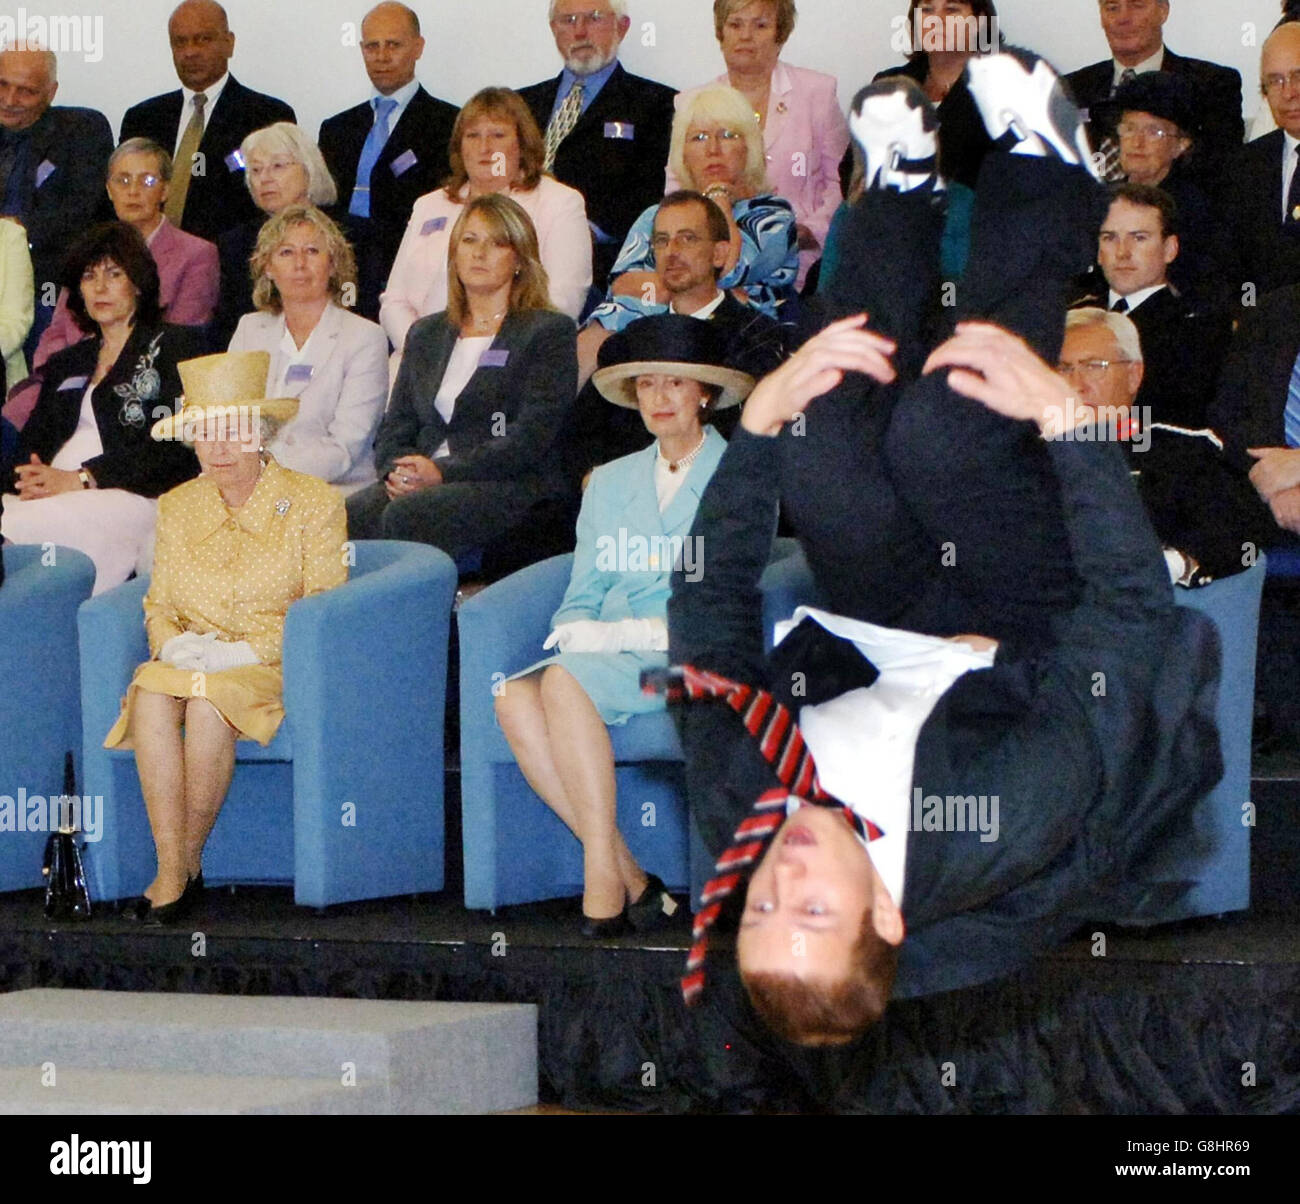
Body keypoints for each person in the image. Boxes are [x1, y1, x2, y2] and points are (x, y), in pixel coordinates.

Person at [664, 54, 1219, 1043]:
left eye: (758, 907)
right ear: (885, 911)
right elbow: (1129, 617)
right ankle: (1044, 167)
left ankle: (899, 193)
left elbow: (703, 615)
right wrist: (1066, 422)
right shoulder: (996, 820)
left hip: (883, 622)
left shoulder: (738, 812)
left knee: (819, 442)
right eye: (814, 910)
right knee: (942, 430)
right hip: (1032, 625)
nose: (781, 879)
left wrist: (754, 436)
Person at [496, 314, 752, 935]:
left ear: (705, 395)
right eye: (647, 385)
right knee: (510, 695)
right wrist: (583, 631)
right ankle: (628, 874)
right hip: (607, 655)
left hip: (688, 652)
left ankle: (603, 877)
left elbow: (722, 597)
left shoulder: (740, 478)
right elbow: (581, 595)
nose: (659, 399)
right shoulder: (608, 482)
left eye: (675, 384)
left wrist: (619, 637)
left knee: (559, 683)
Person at [103, 350, 347, 924]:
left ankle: (179, 867)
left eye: (233, 432)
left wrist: (245, 652)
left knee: (210, 704)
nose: (219, 448)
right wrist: (171, 645)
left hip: (272, 661)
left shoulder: (314, 501)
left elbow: (323, 607)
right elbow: (158, 603)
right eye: (205, 434)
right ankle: (175, 866)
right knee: (155, 689)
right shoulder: (177, 505)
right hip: (192, 657)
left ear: (262, 433)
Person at [348, 193, 577, 560]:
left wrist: (441, 471)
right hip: (425, 475)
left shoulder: (547, 331)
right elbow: (397, 425)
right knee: (350, 515)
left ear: (519, 260)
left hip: (506, 480)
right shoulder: (426, 333)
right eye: (469, 241)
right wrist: (399, 471)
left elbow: (531, 436)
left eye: (496, 242)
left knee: (408, 516)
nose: (479, 253)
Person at [2, 223, 201, 594]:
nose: (100, 287)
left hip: (130, 495)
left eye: (114, 274)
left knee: (21, 530)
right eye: (89, 276)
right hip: (51, 492)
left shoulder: (175, 348)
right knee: (12, 513)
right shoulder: (69, 361)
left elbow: (175, 451)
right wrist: (27, 479)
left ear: (138, 284)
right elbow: (31, 442)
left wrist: (81, 479)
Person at [5, 139, 220, 432]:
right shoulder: (88, 248)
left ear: (166, 190)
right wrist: (63, 372)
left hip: (138, 391)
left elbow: (178, 341)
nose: (133, 191)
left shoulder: (196, 254)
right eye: (122, 180)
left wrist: (99, 371)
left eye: (147, 180)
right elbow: (56, 331)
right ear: (108, 190)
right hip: (64, 381)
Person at [568, 190, 786, 479]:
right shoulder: (631, 341)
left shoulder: (759, 339)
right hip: (628, 503)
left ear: (719, 253)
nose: (672, 251)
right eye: (661, 241)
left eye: (688, 238)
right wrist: (595, 480)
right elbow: (583, 434)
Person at [1059, 306, 1270, 586]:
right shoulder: (1020, 456)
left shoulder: (1182, 450)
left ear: (1134, 375)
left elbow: (1235, 532)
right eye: (1063, 369)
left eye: (1094, 367)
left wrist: (1172, 564)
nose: (1077, 385)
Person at [380, 87, 592, 358]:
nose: (484, 148)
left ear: (522, 144)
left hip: (512, 361)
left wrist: (479, 352)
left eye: (498, 135)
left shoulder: (559, 202)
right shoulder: (429, 205)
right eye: (473, 136)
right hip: (419, 357)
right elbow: (394, 301)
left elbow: (561, 303)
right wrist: (425, 354)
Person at [667, 0, 847, 290]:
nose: (746, 36)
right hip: (710, 268)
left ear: (780, 33)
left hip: (803, 265)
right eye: (735, 24)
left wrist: (806, 232)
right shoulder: (692, 103)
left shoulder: (817, 93)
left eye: (760, 25)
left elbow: (842, 182)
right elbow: (676, 188)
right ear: (720, 33)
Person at [516, 0, 677, 293]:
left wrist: (578, 231)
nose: (580, 32)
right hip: (513, 252)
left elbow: (652, 195)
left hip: (603, 267)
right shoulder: (519, 105)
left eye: (594, 18)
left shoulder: (659, 105)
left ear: (622, 27)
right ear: (553, 29)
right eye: (568, 20)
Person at [228, 205, 388, 495]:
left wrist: (263, 475)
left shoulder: (365, 337)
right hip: (247, 486)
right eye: (286, 253)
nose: (299, 264)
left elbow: (344, 447)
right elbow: (230, 422)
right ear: (267, 267)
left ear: (333, 264)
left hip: (330, 491)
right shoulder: (250, 330)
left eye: (312, 251)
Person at [318, 2, 459, 321]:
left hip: (408, 270)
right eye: (372, 46)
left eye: (393, 45)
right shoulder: (336, 128)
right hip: (339, 268)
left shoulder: (448, 124)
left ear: (418, 47)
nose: (381, 57)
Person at [611, 85, 798, 321]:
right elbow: (620, 286)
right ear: (683, 154)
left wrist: (718, 195)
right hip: (646, 333)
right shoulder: (655, 214)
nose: (713, 149)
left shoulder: (772, 216)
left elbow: (728, 270)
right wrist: (694, 287)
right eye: (699, 138)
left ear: (749, 147)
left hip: (739, 342)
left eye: (728, 135)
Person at [119, 0, 296, 245]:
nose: (190, 52)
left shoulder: (266, 116)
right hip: (146, 261)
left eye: (203, 39)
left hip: (231, 262)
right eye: (180, 42)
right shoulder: (142, 118)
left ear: (229, 43)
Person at [1071, 184, 1228, 429]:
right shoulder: (1067, 317)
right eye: (1109, 238)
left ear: (1169, 249)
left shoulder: (1199, 331)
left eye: (1139, 238)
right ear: (1098, 252)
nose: (1122, 252)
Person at [0, 46, 113, 349]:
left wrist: (13, 229)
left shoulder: (80, 131)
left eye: (26, 92)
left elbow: (80, 211)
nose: (10, 100)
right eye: (2, 85)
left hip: (48, 283)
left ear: (51, 93)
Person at [1064, 0, 1242, 188]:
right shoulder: (1072, 88)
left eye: (1137, 5)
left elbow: (1221, 169)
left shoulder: (1211, 84)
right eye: (1112, 8)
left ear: (1163, 11)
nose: (1123, 18)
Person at [212, 123, 338, 348]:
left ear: (309, 170)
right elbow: (227, 324)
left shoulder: (352, 235)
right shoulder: (235, 244)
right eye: (256, 170)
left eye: (278, 166)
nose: (265, 179)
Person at [1223, 23, 1300, 308]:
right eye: (1275, 81)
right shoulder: (1244, 166)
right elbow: (1234, 269)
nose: (1289, 93)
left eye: (1298, 76)